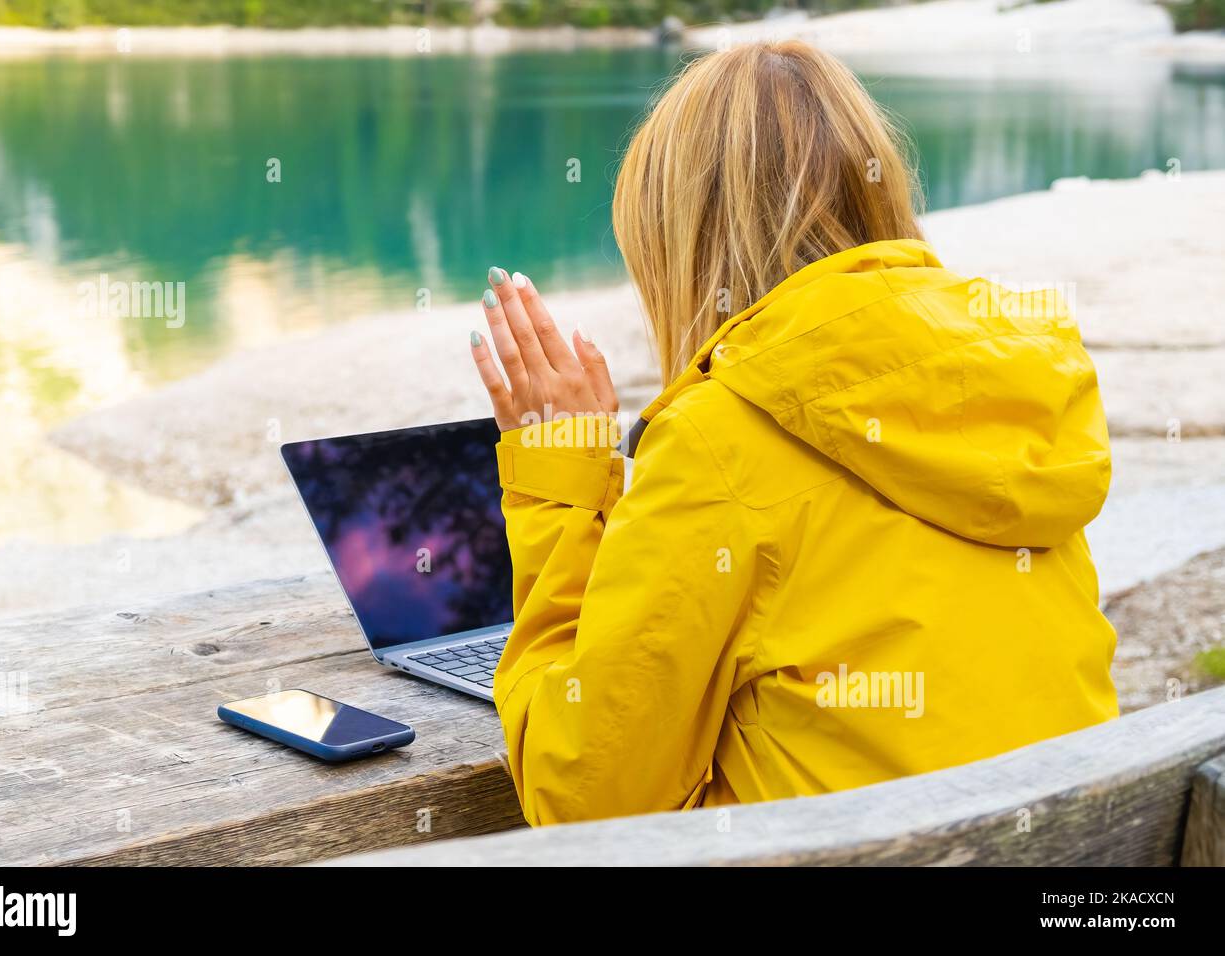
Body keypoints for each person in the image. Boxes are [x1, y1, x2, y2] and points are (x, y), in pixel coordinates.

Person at [468, 40, 1118, 826]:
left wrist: (559, 489)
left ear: (680, 241)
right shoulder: (1014, 387)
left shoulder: (720, 438)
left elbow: (580, 800)